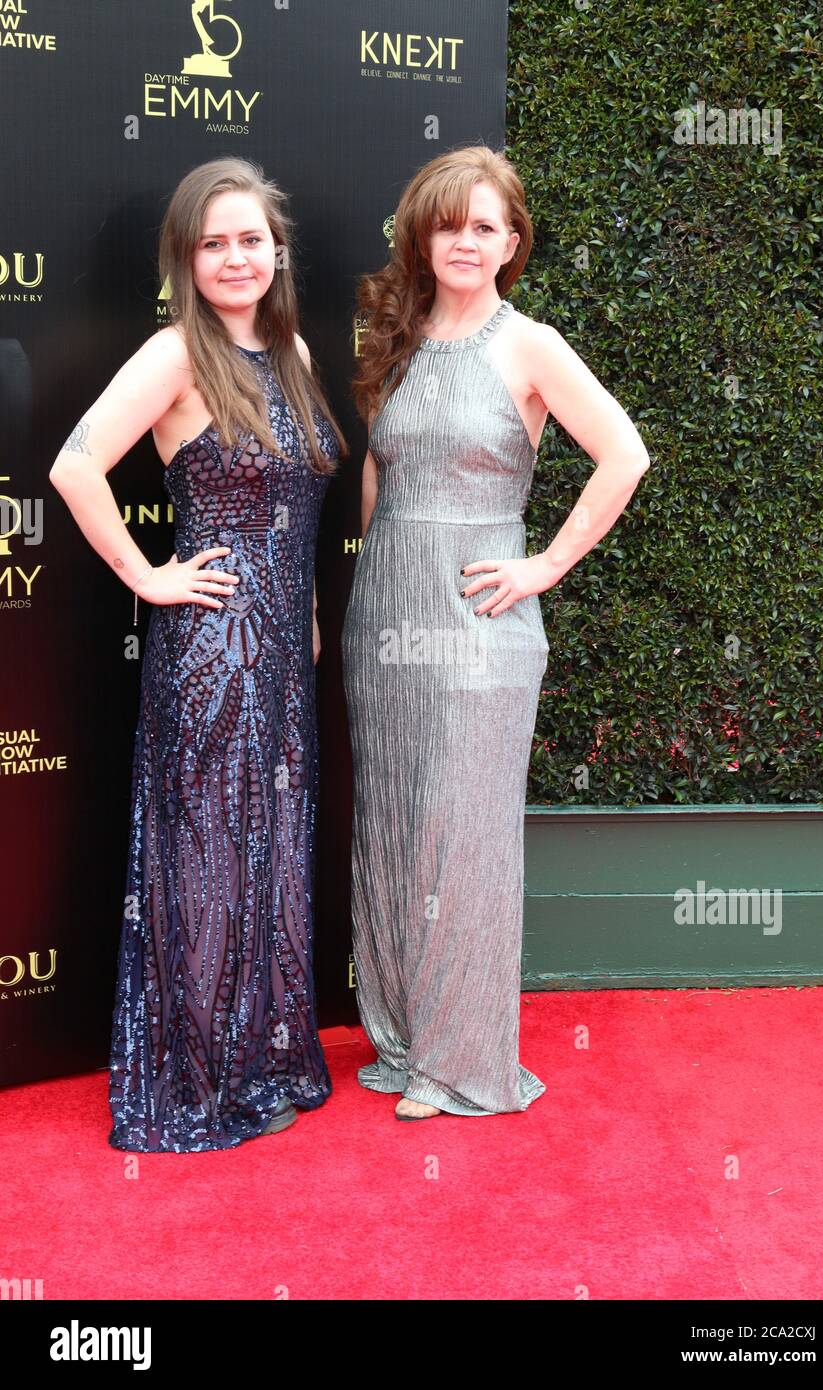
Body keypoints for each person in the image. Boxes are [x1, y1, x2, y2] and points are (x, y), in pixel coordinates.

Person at [342, 145, 650, 1120]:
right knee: (392, 826)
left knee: (457, 836)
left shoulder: (532, 344)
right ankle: (401, 1035)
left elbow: (623, 454)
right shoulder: (396, 337)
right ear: (420, 234)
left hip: (478, 626)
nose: (464, 240)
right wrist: (367, 581)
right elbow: (379, 476)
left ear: (510, 242)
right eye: (448, 223)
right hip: (386, 618)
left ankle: (457, 1057)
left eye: (485, 226)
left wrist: (542, 564)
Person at [49, 157, 347, 1151]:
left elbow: (299, 511)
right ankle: (203, 1074)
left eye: (248, 239)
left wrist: (303, 606)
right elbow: (75, 463)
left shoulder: (292, 349)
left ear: (277, 249)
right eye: (212, 243)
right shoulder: (174, 353)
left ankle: (261, 1051)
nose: (233, 257)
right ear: (185, 259)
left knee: (270, 849)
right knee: (210, 859)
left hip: (280, 660)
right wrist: (149, 574)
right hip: (211, 651)